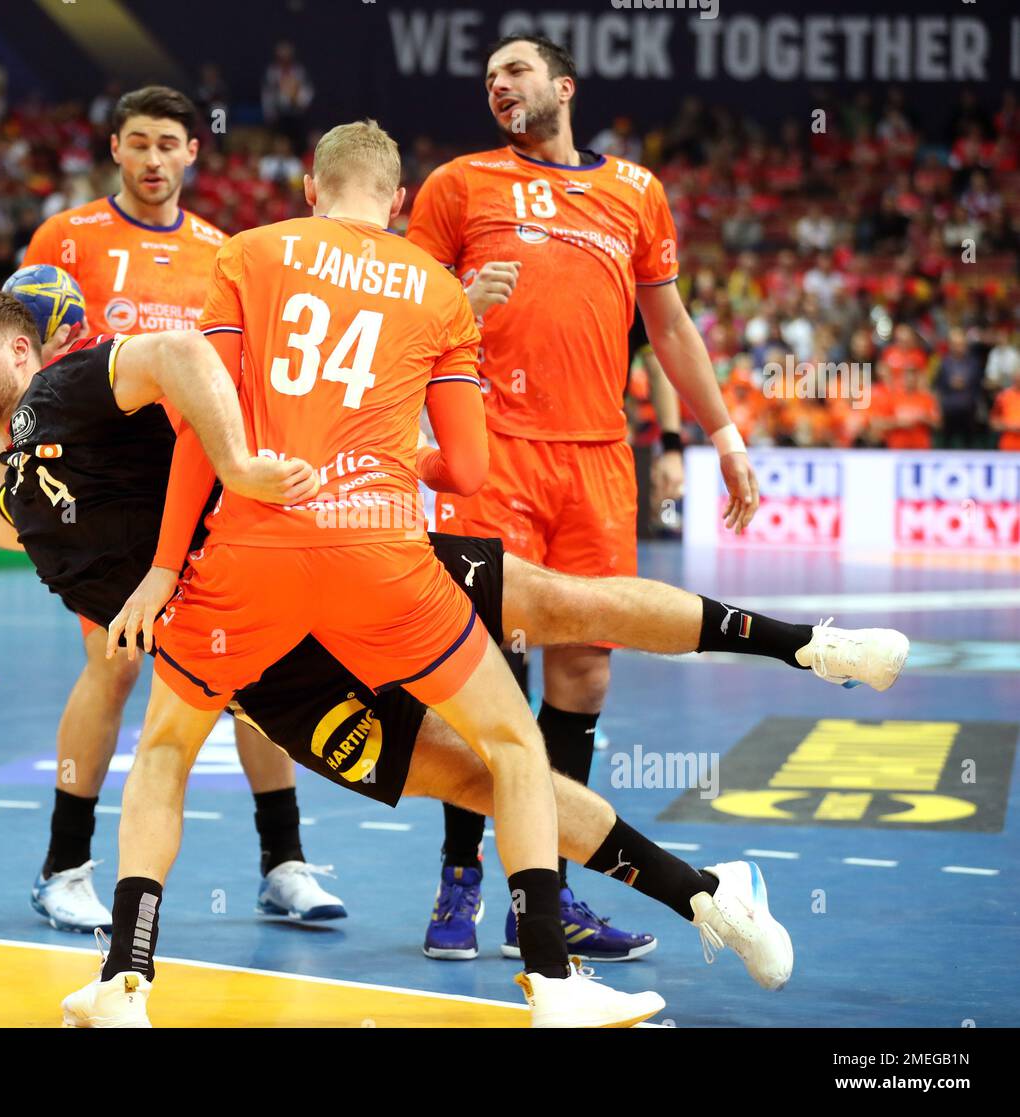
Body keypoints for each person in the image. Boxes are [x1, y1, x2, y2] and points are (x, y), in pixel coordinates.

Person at [57, 120, 793, 1029]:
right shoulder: (440, 289)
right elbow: (472, 470)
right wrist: (401, 455)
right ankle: (552, 981)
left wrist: (166, 570)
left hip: (249, 559)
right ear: (399, 201)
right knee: (514, 747)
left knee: (165, 750)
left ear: (307, 186)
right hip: (381, 558)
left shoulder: (247, 252)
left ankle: (127, 980)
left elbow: (206, 433)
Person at [0, 85, 347, 932]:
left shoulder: (223, 250)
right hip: (95, 492)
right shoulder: (65, 237)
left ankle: (283, 863)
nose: (152, 159)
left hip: (195, 480)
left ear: (191, 153)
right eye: (137, 142)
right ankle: (65, 866)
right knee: (115, 661)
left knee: (252, 654)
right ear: (115, 149)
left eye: (167, 143)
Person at [405, 34, 761, 962]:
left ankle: (547, 897)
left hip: (599, 460)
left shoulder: (636, 192)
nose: (498, 86)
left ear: (564, 86)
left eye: (515, 71)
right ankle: (461, 880)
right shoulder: (458, 184)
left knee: (584, 673)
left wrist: (719, 437)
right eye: (488, 78)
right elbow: (401, 306)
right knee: (483, 677)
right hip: (494, 450)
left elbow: (670, 326)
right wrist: (455, 297)